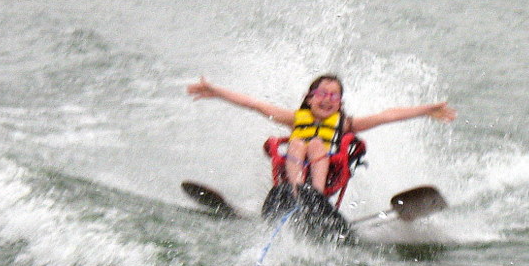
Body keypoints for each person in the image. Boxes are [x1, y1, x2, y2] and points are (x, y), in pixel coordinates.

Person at [187, 75, 456, 195]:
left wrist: (427, 109)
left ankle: (312, 196)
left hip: (326, 177)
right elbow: (253, 104)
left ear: (340, 102)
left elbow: (388, 115)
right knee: (298, 141)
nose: (327, 100)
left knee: (315, 143)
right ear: (309, 98)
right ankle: (294, 192)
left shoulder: (345, 124)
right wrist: (216, 91)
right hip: (293, 176)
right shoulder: (294, 119)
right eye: (321, 95)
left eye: (334, 96)